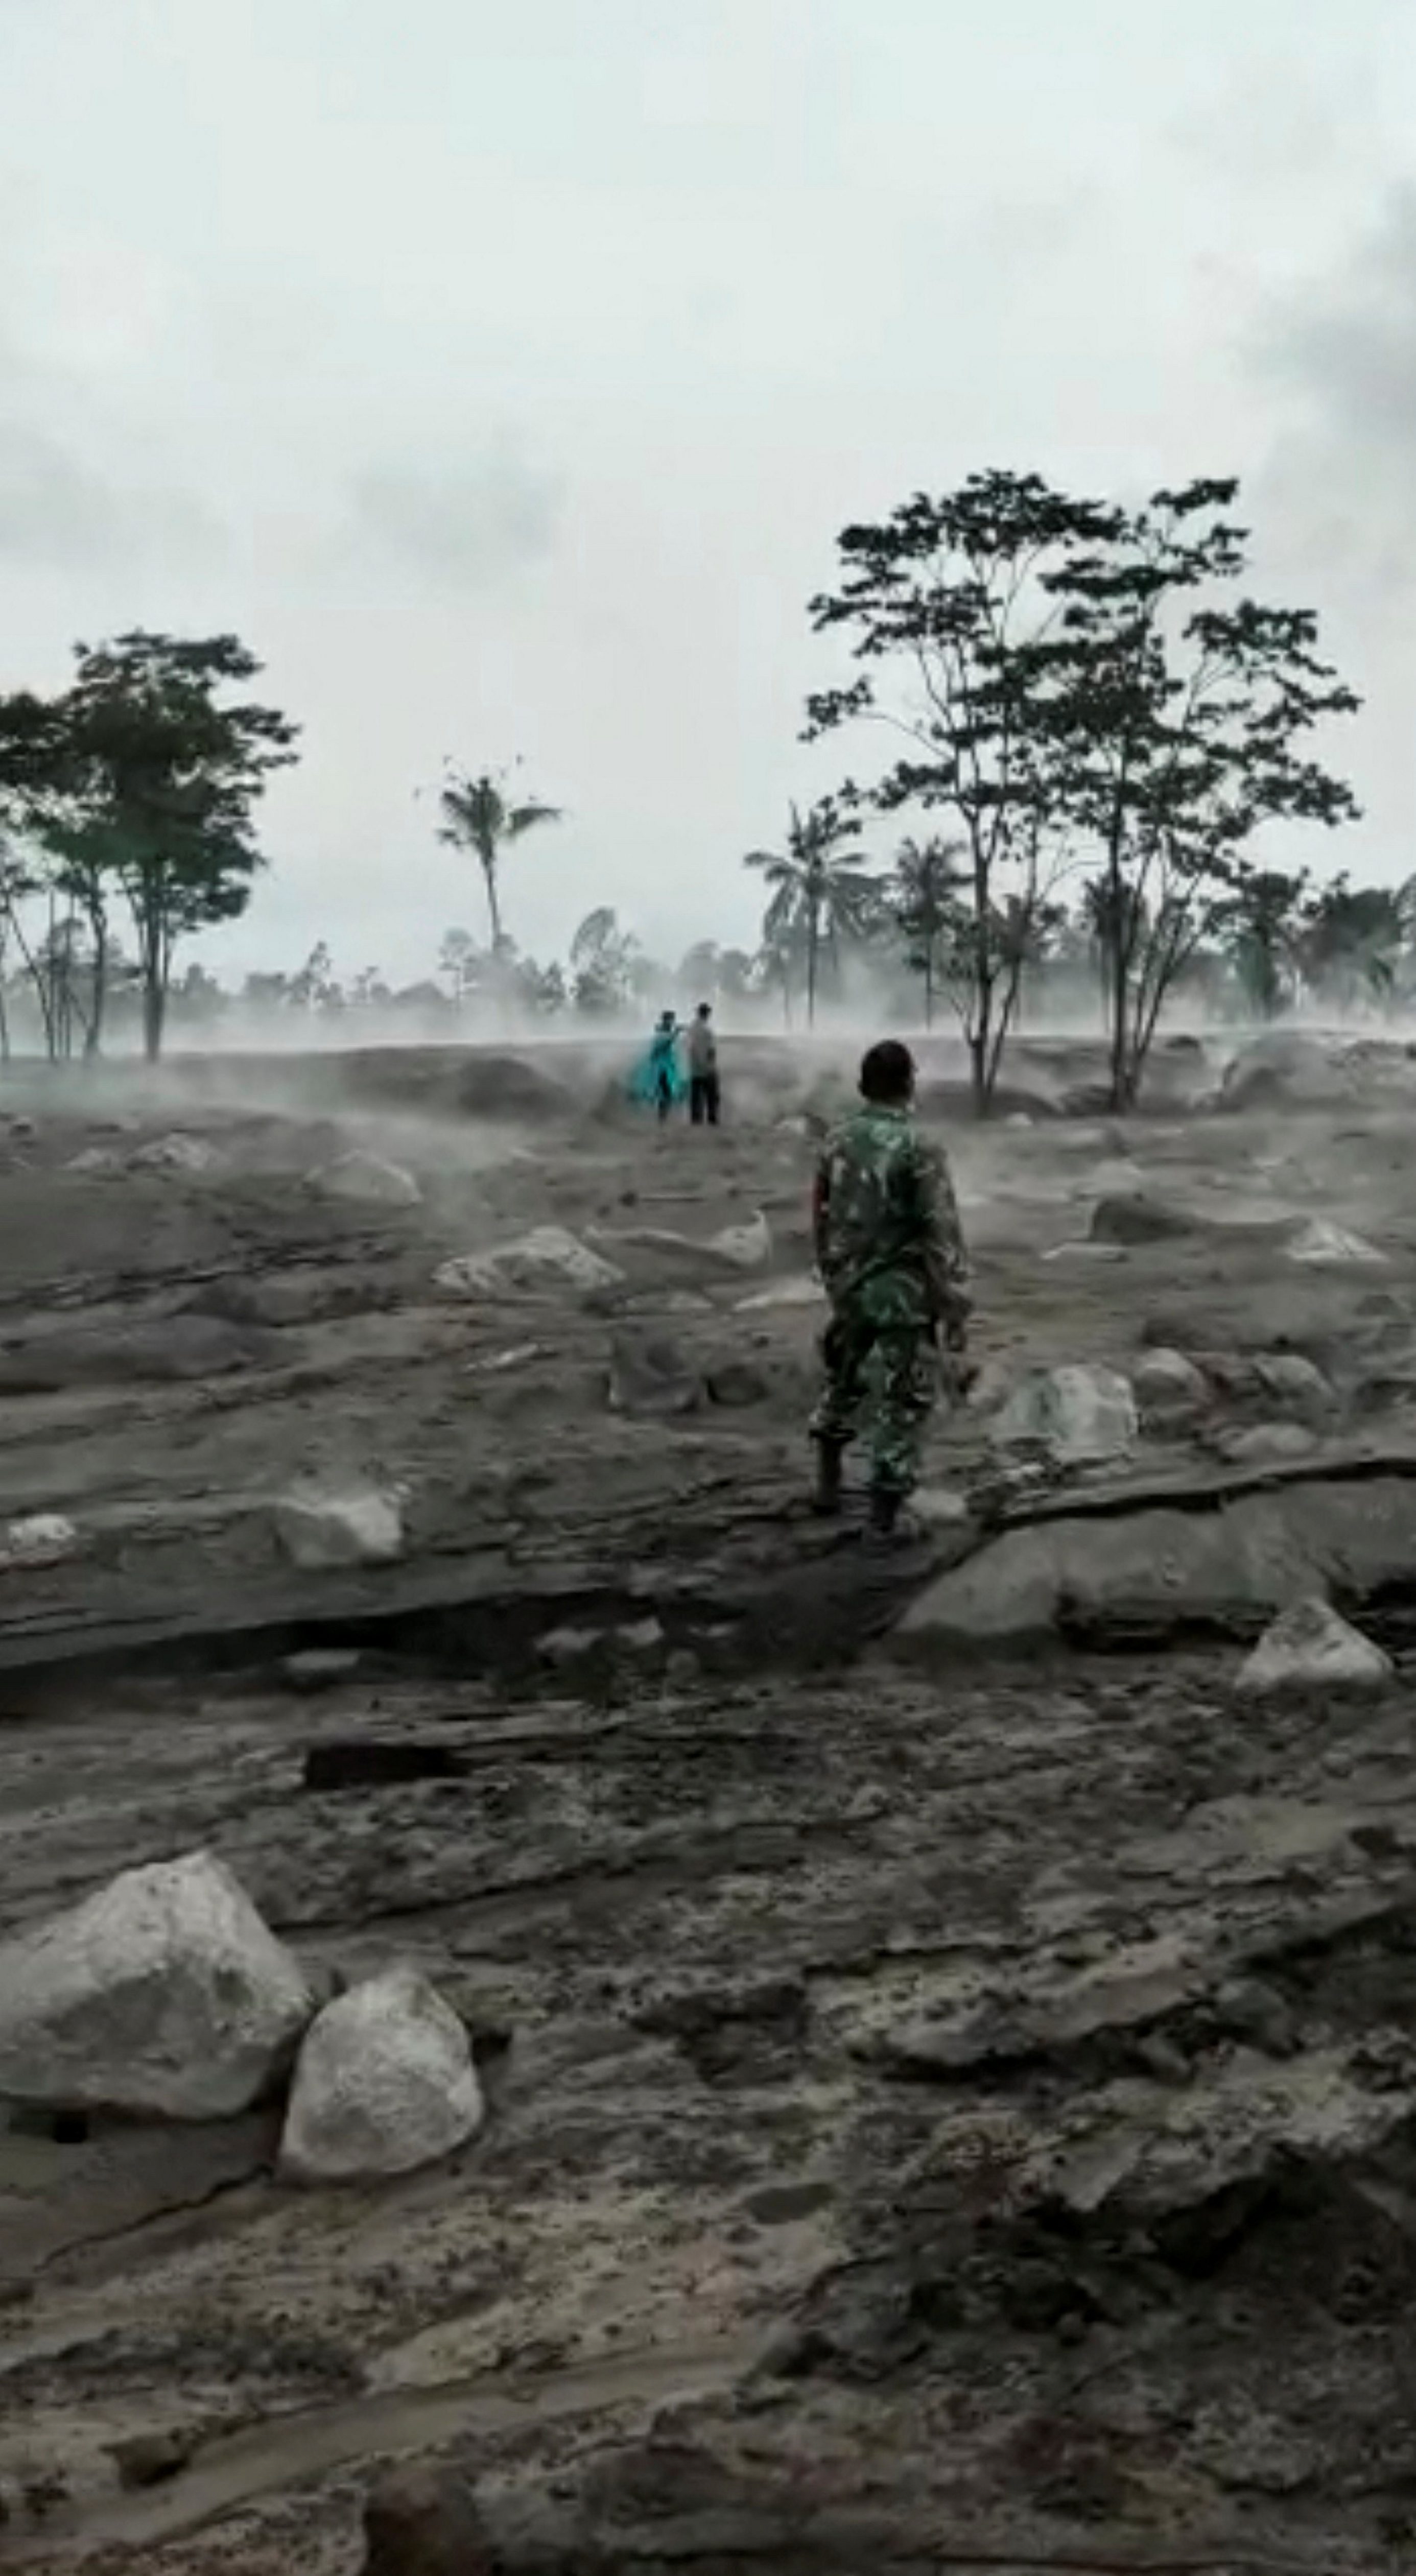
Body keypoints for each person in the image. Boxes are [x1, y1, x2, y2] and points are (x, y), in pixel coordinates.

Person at [809, 1039, 970, 1541]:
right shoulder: (920, 1146)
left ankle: (828, 1483)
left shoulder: (835, 1141)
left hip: (849, 1288)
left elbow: (820, 1213)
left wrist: (834, 1277)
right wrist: (955, 1300)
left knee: (845, 1379)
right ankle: (884, 1517)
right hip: (902, 1292)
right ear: (909, 1085)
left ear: (863, 1087)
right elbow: (939, 1229)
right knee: (902, 1399)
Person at [629, 1010, 683, 1124]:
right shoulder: (663, 1034)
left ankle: (662, 1118)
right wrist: (676, 1033)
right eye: (670, 1020)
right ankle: (662, 1119)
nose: (672, 1022)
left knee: (665, 1094)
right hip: (662, 1069)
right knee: (666, 1094)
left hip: (664, 1068)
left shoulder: (662, 1032)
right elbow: (665, 1043)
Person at [687, 1001, 720, 1127]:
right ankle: (712, 1119)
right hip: (707, 1067)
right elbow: (712, 1050)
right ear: (707, 1014)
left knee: (696, 1096)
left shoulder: (692, 1028)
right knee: (712, 1095)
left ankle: (696, 1120)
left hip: (694, 1067)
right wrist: (712, 1065)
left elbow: (690, 1048)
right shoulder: (708, 1030)